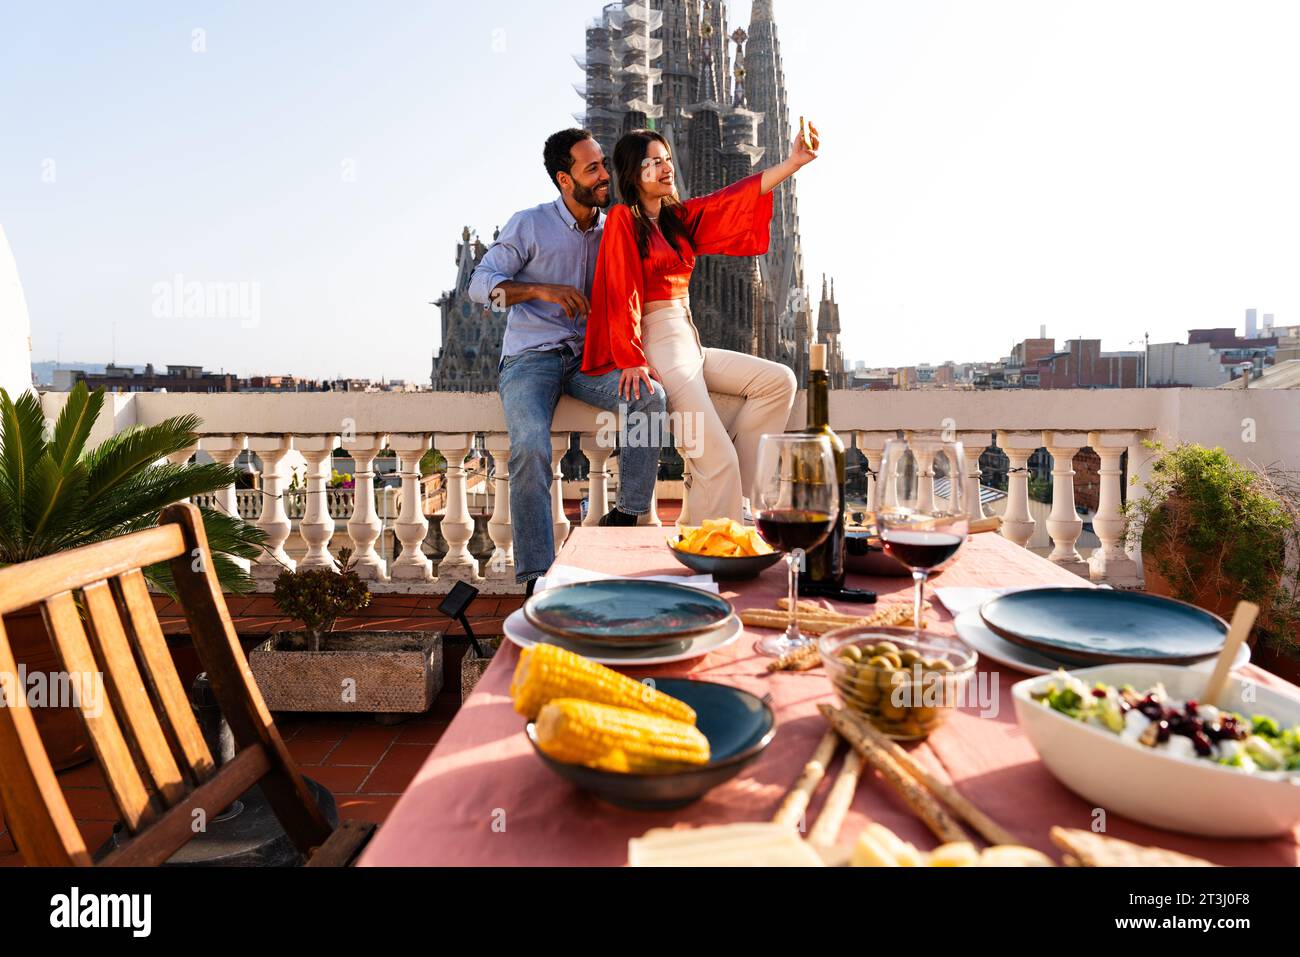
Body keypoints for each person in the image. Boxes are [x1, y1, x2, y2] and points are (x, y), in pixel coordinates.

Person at [582, 126, 819, 524]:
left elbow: (730, 200)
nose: (665, 168)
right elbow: (621, 289)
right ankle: (725, 543)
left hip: (691, 342)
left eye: (667, 158)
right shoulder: (624, 219)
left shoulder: (678, 219)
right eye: (652, 162)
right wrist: (631, 357)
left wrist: (792, 163)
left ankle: (738, 504)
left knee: (778, 382)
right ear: (632, 174)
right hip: (660, 346)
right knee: (716, 457)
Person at [469, 128, 668, 591]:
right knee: (531, 448)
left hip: (589, 360)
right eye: (592, 169)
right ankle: (538, 575)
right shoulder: (530, 223)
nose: (604, 176)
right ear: (564, 179)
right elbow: (480, 286)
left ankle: (627, 515)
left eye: (603, 165)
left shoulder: (615, 226)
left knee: (651, 400)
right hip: (531, 359)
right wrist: (539, 289)